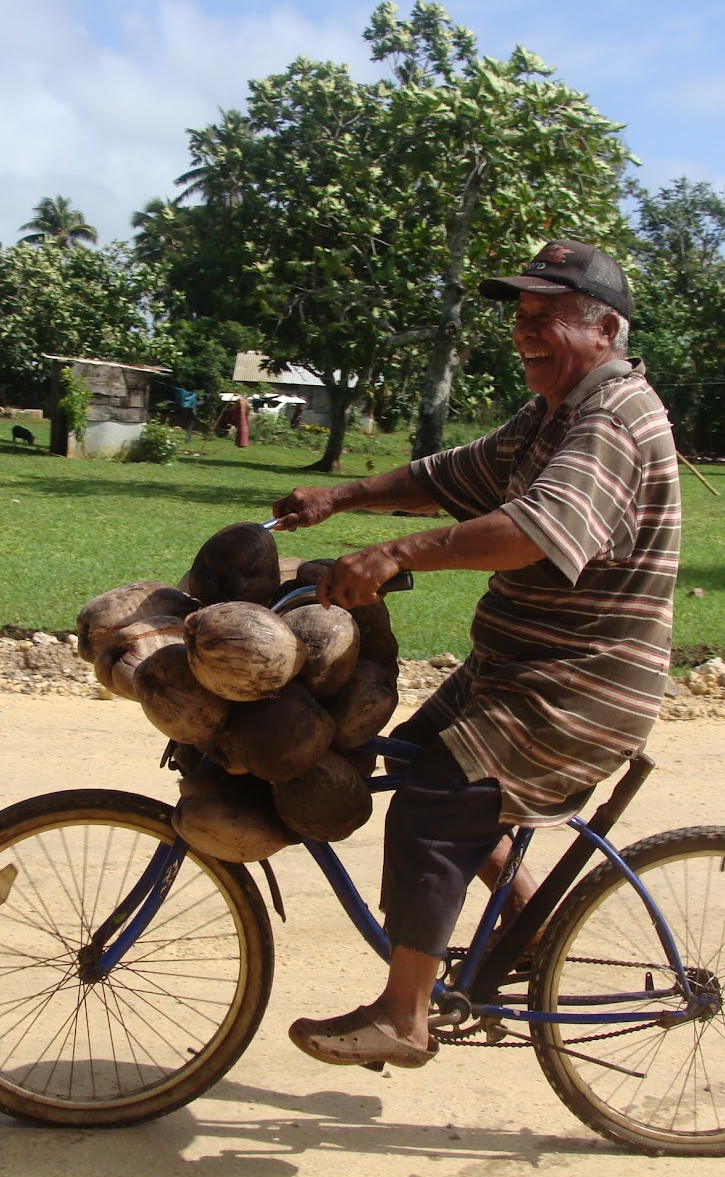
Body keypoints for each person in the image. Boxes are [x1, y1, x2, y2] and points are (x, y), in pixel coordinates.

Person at [270, 239, 682, 1069]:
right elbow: (453, 474)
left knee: (431, 800)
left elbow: (532, 532)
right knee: (412, 756)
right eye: (520, 316)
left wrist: (395, 555)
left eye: (545, 316)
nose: (524, 331)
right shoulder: (555, 413)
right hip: (519, 669)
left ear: (604, 329)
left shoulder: (612, 420)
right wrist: (340, 496)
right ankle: (529, 928)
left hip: (581, 682)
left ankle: (403, 1014)